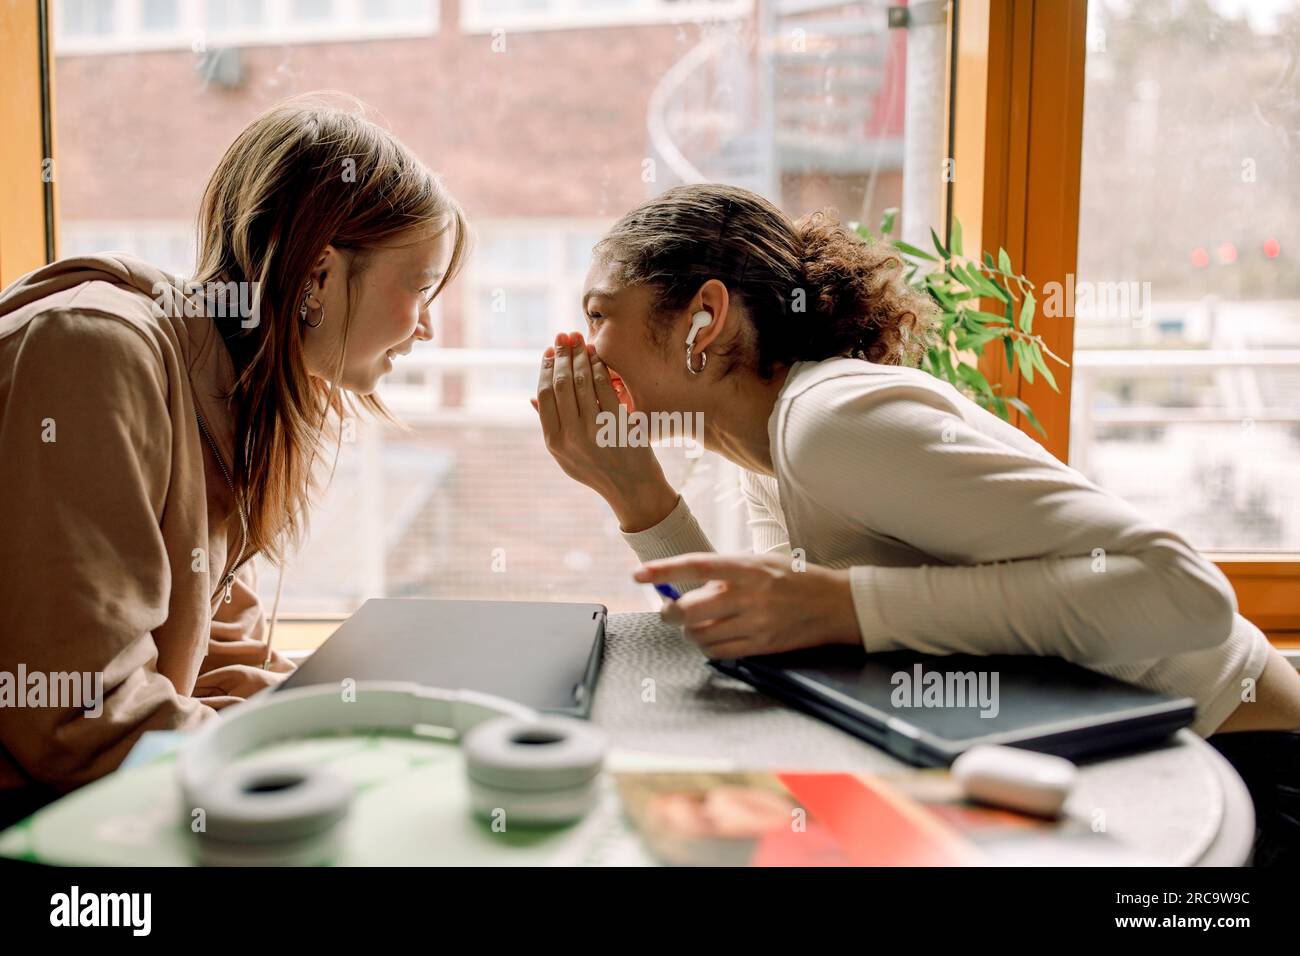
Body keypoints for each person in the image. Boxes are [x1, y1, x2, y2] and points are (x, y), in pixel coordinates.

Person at [534, 182, 1300, 865]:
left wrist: (847, 608)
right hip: (1113, 761)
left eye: (598, 318)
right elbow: (763, 650)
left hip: (1241, 770)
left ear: (703, 319)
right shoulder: (766, 454)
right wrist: (639, 498)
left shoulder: (827, 421)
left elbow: (1186, 593)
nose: (579, 351)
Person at [0, 96, 467, 824]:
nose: (430, 327)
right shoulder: (92, 353)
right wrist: (319, 785)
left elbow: (217, 661)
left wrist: (370, 738)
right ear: (317, 272)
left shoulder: (225, 397)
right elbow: (73, 713)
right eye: (422, 286)